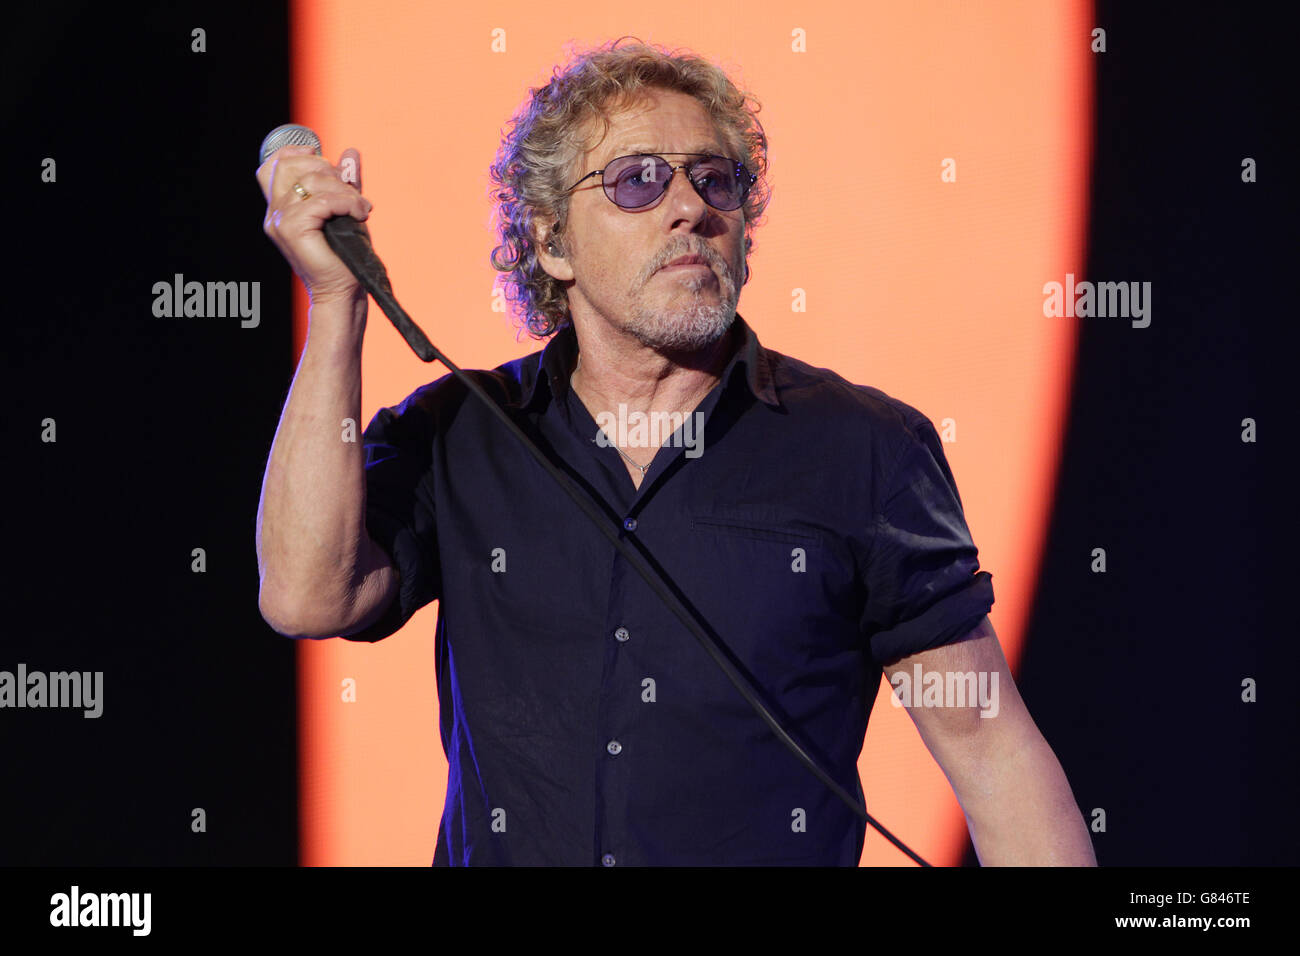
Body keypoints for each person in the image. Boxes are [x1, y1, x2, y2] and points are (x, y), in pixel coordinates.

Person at [254, 38, 1096, 866]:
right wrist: (336, 307)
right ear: (551, 243)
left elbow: (992, 753)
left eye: (714, 179)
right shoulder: (463, 433)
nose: (690, 206)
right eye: (637, 180)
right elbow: (306, 597)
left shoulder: (864, 451)